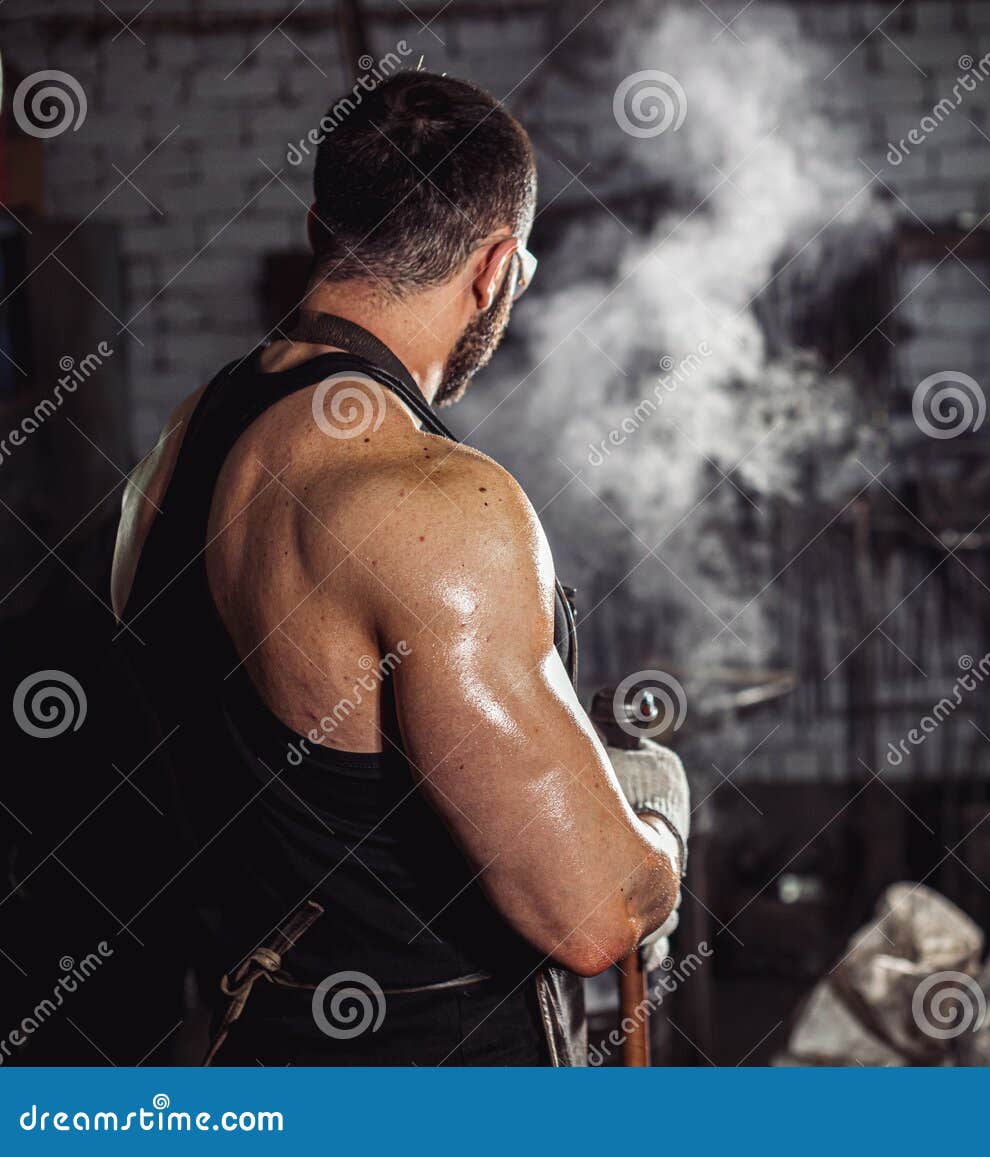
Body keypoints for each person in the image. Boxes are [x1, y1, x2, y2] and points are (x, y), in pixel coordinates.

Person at [109, 72, 686, 1065]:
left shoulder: (179, 444)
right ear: (497, 266)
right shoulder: (434, 500)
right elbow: (591, 914)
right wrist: (659, 833)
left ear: (318, 230)